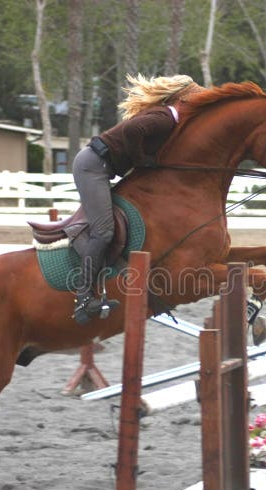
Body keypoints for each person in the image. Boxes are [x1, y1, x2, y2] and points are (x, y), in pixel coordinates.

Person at [71, 73, 196, 324]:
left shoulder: (166, 117)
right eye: (194, 97)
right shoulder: (164, 118)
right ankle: (84, 296)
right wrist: (141, 161)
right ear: (181, 97)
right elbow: (132, 130)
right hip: (92, 166)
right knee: (104, 232)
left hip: (99, 165)